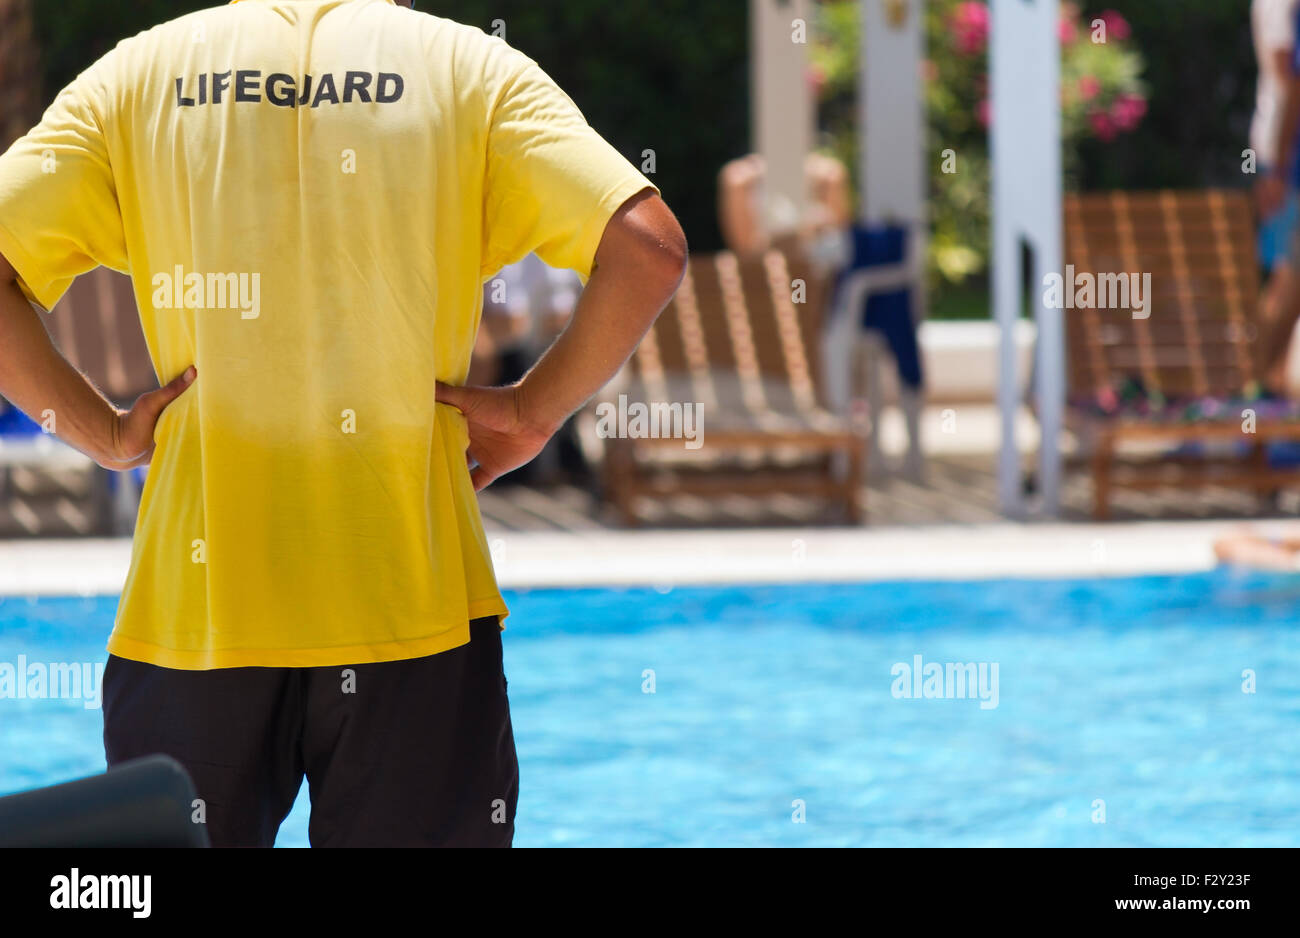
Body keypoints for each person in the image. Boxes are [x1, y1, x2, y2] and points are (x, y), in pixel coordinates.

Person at [0, 0, 686, 847]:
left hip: (197, 617)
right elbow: (649, 247)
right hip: (416, 607)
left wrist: (101, 434)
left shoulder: (137, 76)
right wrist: (530, 412)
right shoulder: (468, 70)